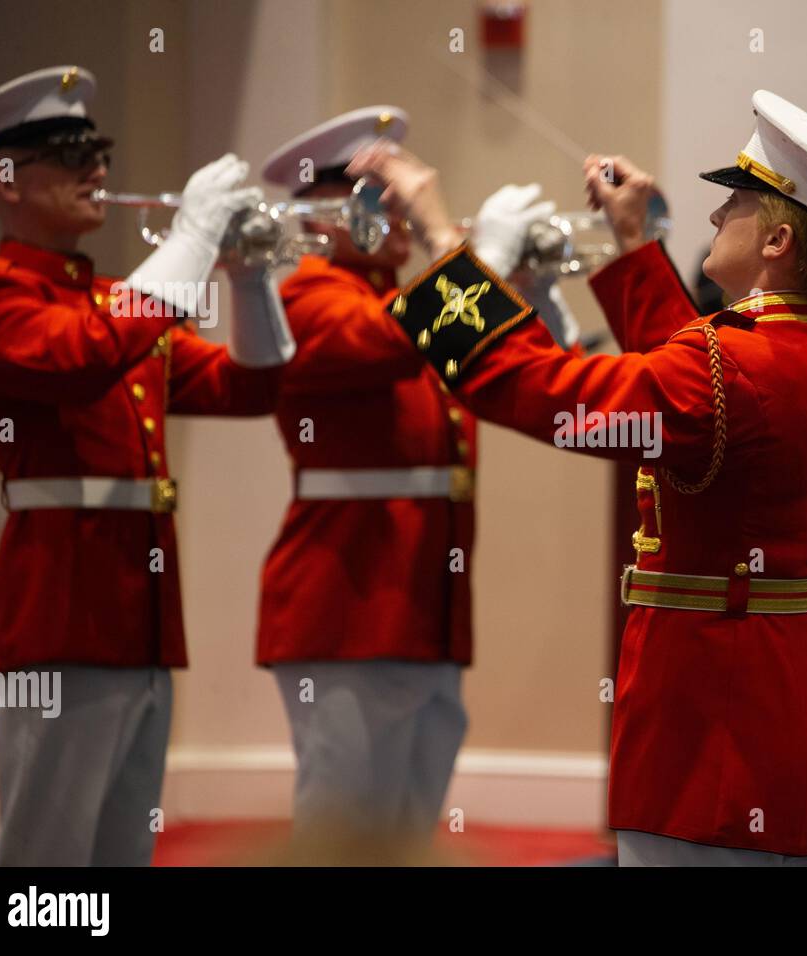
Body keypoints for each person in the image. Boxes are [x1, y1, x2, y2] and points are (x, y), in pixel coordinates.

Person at [347, 89, 807, 866]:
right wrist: (630, 242)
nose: (717, 219)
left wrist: (445, 241)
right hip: (779, 723)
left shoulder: (731, 371)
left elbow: (542, 397)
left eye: (738, 205)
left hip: (707, 734)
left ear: (779, 239)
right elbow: (695, 384)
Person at [0, 65, 294, 865]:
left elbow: (252, 389)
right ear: (6, 181)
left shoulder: (106, 299)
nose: (96, 170)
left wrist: (248, 281)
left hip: (141, 622)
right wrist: (189, 241)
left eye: (97, 152)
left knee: (116, 857)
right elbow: (84, 360)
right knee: (46, 859)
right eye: (70, 155)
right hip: (63, 618)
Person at [255, 106, 573, 856]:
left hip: (425, 611)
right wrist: (478, 256)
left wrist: (529, 285)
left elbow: (528, 371)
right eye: (380, 200)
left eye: (399, 201)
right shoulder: (306, 296)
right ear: (324, 214)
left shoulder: (404, 299)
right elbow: (397, 340)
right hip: (348, 609)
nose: (397, 216)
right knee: (341, 839)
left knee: (405, 840)